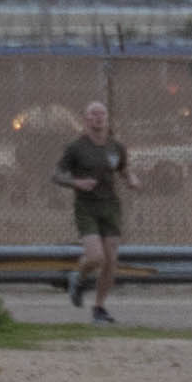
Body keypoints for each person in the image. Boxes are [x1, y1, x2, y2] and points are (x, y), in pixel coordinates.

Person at [54, 102, 130, 323]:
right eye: (93, 114)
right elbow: (57, 175)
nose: (98, 118)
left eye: (102, 114)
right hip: (87, 207)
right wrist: (76, 182)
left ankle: (99, 308)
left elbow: (123, 169)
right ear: (86, 119)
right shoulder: (76, 148)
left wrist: (131, 178)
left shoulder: (116, 147)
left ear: (107, 118)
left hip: (110, 207)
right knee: (96, 257)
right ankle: (77, 278)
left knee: (111, 260)